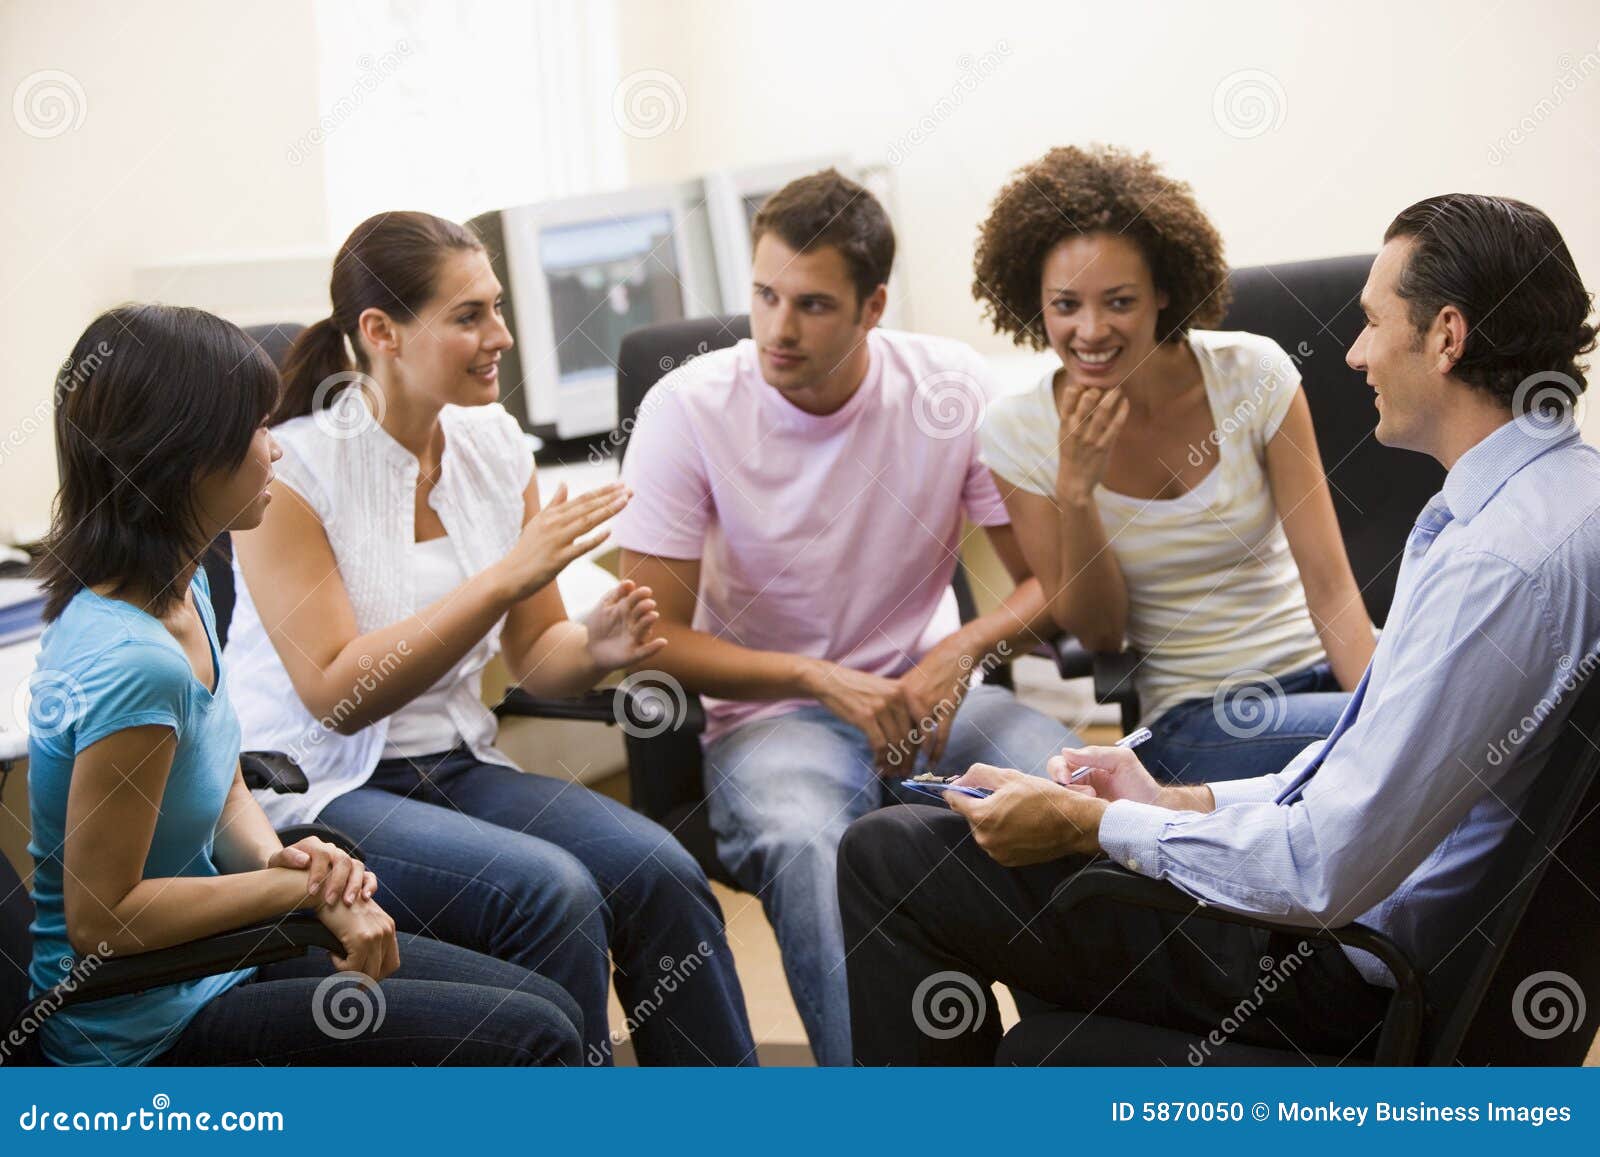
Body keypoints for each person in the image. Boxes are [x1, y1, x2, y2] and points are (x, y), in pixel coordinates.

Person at [841, 193, 1600, 1065]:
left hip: (1338, 976)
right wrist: (1176, 799)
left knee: (887, 855)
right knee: (950, 868)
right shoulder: (1559, 502)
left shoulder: (1496, 564)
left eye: (1371, 323)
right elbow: (1360, 771)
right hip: (1345, 911)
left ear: (1448, 336)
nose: (1354, 354)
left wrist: (1096, 827)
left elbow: (1324, 862)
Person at [222, 211, 754, 1066]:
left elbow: (540, 652)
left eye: (497, 308)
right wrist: (502, 576)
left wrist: (599, 646)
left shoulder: (494, 443)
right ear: (380, 332)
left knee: (660, 870)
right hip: (322, 787)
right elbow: (335, 693)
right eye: (469, 316)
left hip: (458, 765)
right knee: (554, 893)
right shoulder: (294, 469)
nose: (501, 336)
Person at [26, 304, 583, 1066]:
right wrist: (303, 893)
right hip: (141, 1035)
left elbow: (222, 788)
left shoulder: (184, 593)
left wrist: (284, 859)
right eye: (257, 431)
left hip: (216, 961)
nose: (276, 453)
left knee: (550, 1005)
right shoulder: (135, 662)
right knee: (534, 1037)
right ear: (188, 459)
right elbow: (104, 920)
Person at [613, 169, 1079, 1066]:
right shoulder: (690, 407)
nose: (778, 329)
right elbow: (655, 636)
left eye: (813, 305)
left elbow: (1045, 587)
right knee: (808, 842)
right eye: (764, 295)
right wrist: (814, 675)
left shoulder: (948, 386)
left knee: (1066, 783)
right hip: (776, 717)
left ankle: (1085, 1074)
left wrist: (960, 649)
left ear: (872, 308)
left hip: (928, 697)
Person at [973, 145, 1375, 783]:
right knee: (1404, 744)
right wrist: (1076, 492)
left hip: (1321, 675)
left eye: (1120, 301)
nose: (1091, 330)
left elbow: (1330, 588)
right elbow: (1100, 635)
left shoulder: (1254, 374)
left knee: (1446, 721)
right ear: (1034, 302)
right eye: (1066, 305)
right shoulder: (1016, 430)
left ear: (1164, 290)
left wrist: (1382, 705)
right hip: (1196, 718)